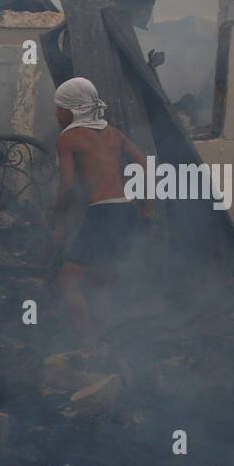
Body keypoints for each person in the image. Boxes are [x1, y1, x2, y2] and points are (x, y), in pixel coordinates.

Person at [52, 76, 150, 347]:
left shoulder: (67, 138)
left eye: (60, 107)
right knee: (100, 281)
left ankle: (88, 346)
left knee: (68, 280)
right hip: (125, 211)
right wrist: (145, 209)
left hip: (102, 214)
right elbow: (144, 163)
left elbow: (67, 188)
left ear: (75, 109)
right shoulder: (114, 134)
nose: (56, 113)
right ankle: (105, 345)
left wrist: (59, 224)